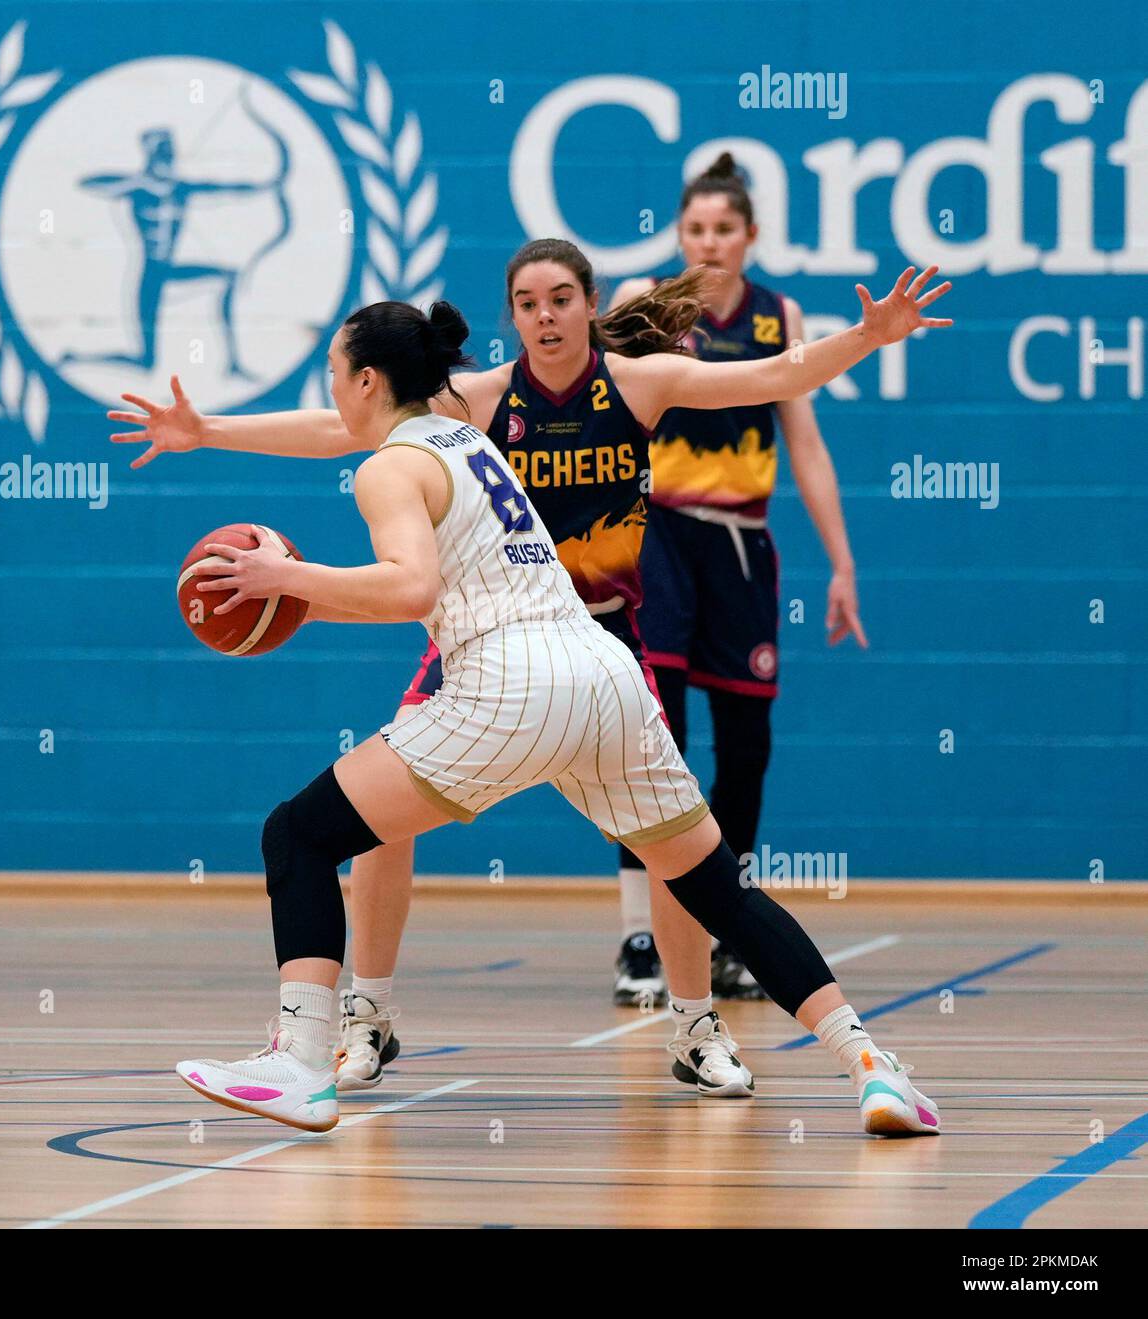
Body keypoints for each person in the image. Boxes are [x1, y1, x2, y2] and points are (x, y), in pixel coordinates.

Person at [120, 278, 951, 1138]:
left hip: (512, 683)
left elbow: (410, 589)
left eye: (333, 368)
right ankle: (873, 1067)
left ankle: (303, 1060)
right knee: (716, 889)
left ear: (368, 380)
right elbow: (411, 575)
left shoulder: (390, 467)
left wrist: (286, 576)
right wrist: (290, 592)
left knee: (297, 834)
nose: (329, 386)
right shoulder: (461, 435)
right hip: (607, 676)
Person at [610, 153, 868, 1001]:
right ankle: (642, 935)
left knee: (747, 747)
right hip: (656, 541)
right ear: (678, 234)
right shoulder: (640, 304)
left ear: (750, 236)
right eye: (696, 229)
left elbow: (808, 446)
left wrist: (841, 561)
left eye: (725, 229)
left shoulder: (777, 316)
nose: (710, 242)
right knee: (656, 742)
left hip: (742, 548)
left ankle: (725, 927)